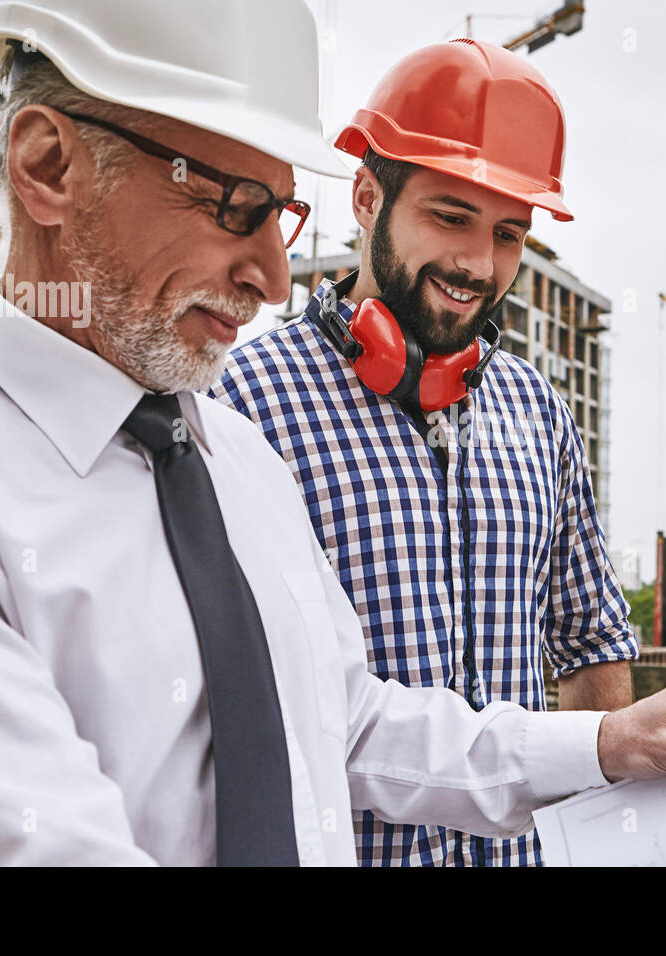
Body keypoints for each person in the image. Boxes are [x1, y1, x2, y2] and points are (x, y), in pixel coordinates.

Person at [0, 0, 666, 867]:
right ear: (47, 167)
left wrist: (602, 744)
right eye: (235, 206)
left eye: (281, 215)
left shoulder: (233, 462)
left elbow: (346, 723)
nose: (275, 280)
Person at [210, 40, 635, 866]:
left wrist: (602, 837)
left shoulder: (538, 412)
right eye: (450, 217)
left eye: (509, 233)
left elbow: (592, 642)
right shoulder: (239, 401)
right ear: (367, 197)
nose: (479, 265)